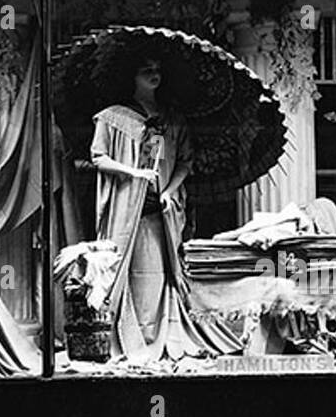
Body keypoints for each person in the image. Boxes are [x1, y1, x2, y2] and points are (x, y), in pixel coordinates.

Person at [86, 52, 238, 363]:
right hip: (128, 204)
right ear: (131, 76)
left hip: (162, 208)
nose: (154, 74)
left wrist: (170, 191)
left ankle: (164, 333)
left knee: (159, 271)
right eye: (146, 69)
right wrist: (133, 173)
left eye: (157, 69)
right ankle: (128, 336)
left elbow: (185, 162)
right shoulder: (111, 117)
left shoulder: (173, 119)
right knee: (127, 269)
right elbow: (97, 157)